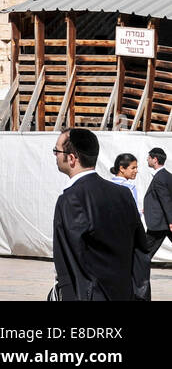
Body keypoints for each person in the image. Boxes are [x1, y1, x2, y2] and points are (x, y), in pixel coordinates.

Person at [51, 127, 145, 301]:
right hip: (124, 292)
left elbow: (68, 262)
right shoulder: (123, 194)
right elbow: (140, 249)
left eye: (56, 151)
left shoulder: (70, 199)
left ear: (72, 158)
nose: (55, 155)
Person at [141, 147, 172, 296]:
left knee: (144, 253)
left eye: (148, 157)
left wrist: (171, 221)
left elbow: (166, 200)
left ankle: (138, 276)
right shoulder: (167, 176)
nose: (147, 159)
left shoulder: (160, 178)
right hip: (163, 221)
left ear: (155, 159)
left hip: (160, 223)